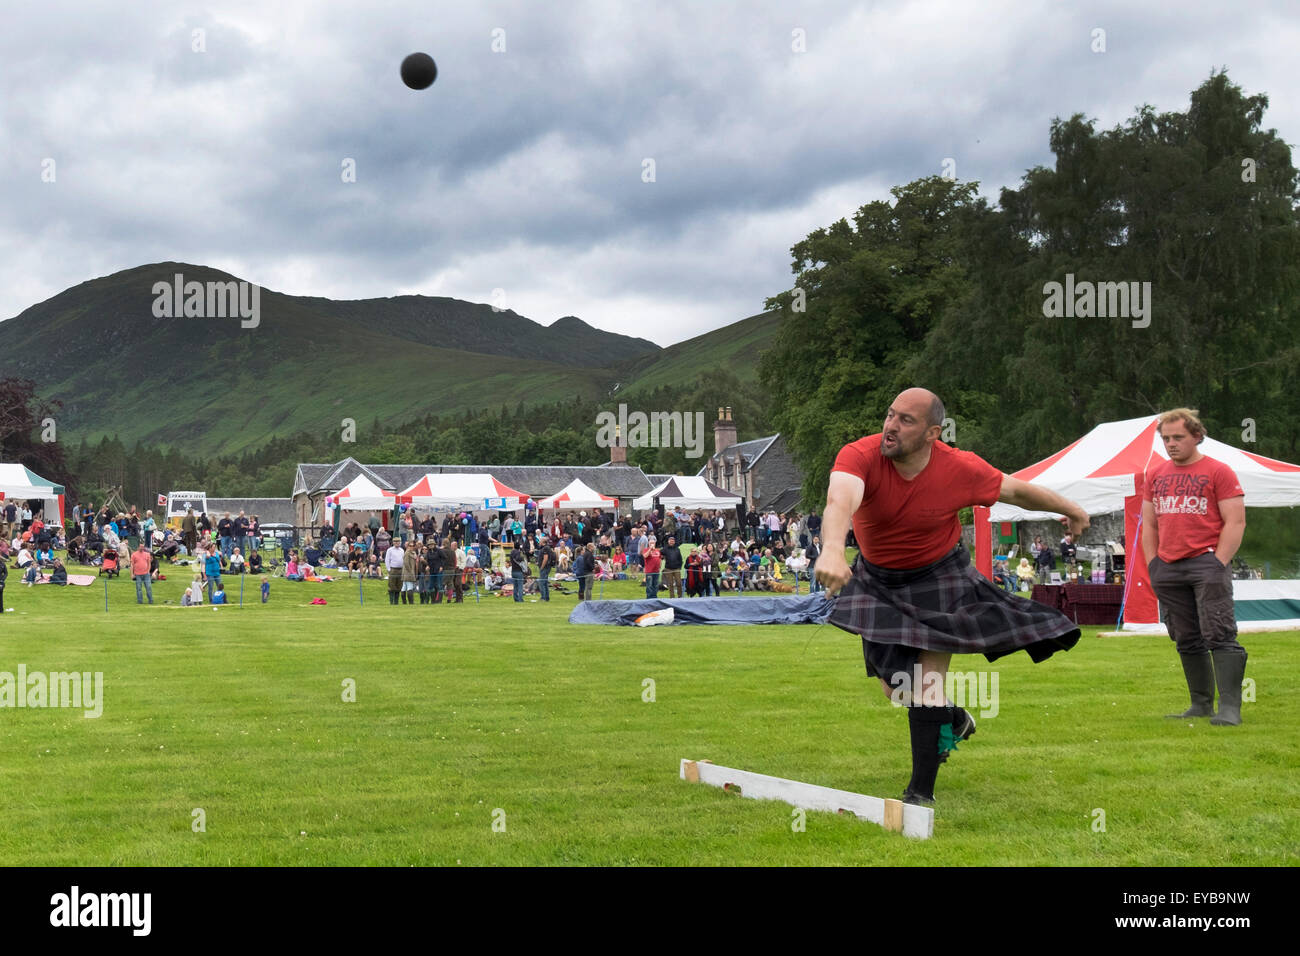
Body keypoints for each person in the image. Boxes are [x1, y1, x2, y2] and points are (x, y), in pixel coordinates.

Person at [816, 388, 1088, 806]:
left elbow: (1015, 491)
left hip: (939, 576)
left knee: (925, 683)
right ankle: (955, 718)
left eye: (905, 420)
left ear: (932, 433)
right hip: (879, 579)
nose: (891, 426)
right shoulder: (860, 455)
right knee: (897, 690)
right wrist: (833, 548)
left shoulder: (960, 468)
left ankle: (919, 795)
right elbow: (839, 501)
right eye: (890, 415)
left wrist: (1071, 508)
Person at [1141, 408, 1248, 726]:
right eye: (1165, 438)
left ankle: (1229, 709)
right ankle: (1200, 704)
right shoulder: (1155, 474)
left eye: (1178, 437)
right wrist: (1153, 565)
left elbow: (1236, 521)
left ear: (1197, 436)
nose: (1171, 444)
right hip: (1168, 567)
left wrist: (1219, 562)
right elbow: (1149, 525)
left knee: (1220, 632)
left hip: (1206, 562)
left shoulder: (1220, 471)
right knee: (1185, 636)